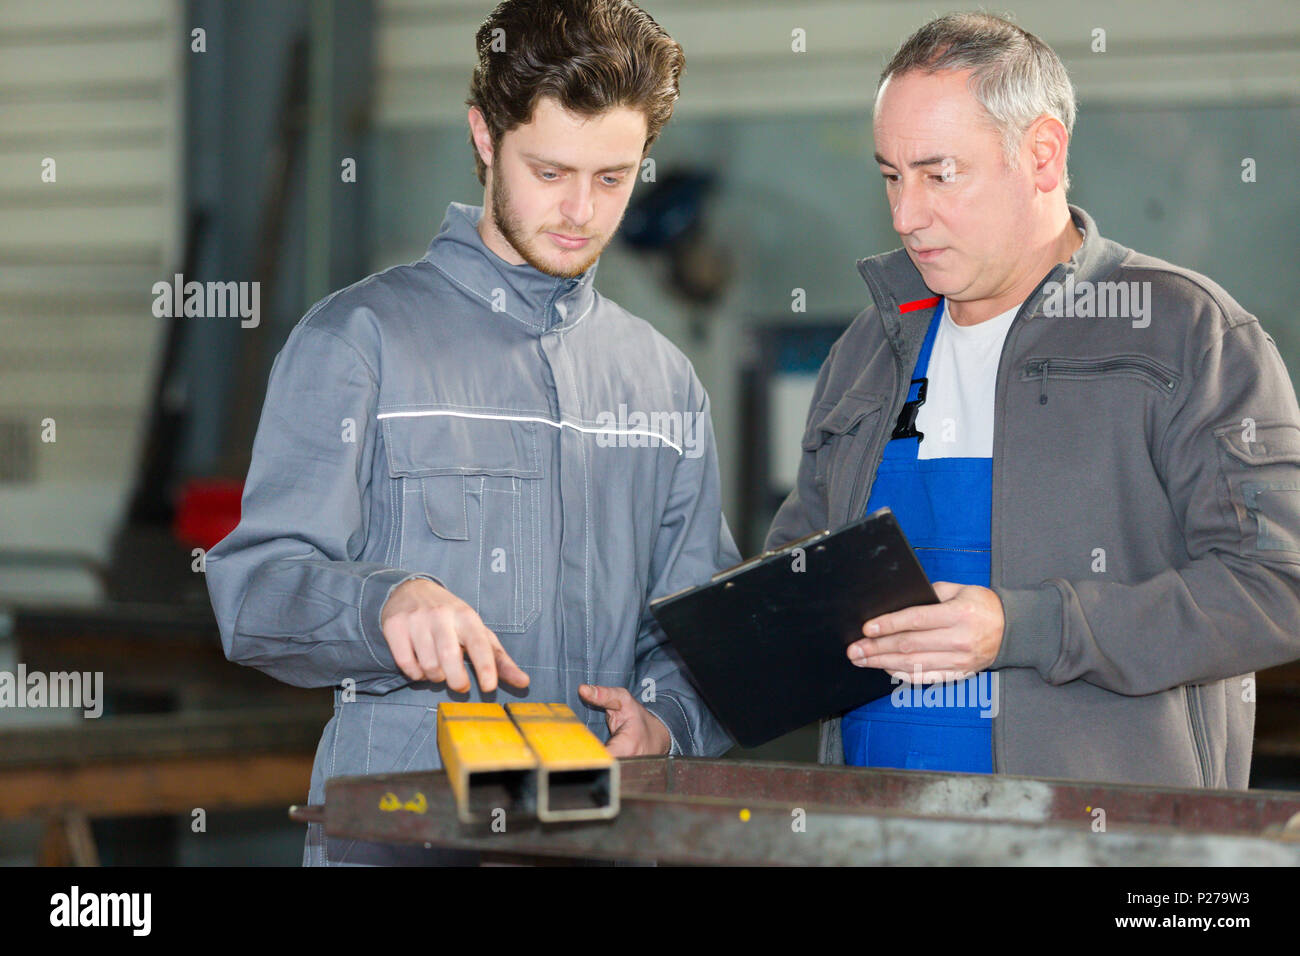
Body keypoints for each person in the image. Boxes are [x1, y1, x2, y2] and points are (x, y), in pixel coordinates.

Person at [206, 0, 737, 865]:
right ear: (485, 138)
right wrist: (383, 603)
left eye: (613, 177)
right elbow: (254, 592)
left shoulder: (661, 380)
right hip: (400, 838)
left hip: (595, 829)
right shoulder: (359, 343)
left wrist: (668, 718)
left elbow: (697, 622)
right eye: (550, 171)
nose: (579, 211)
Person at [767, 12, 1300, 787]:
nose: (905, 216)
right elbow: (792, 584)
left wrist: (1029, 627)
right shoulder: (867, 353)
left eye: (939, 173)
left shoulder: (1184, 333)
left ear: (1042, 155)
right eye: (891, 175)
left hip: (1106, 846)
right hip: (868, 833)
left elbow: (1278, 586)